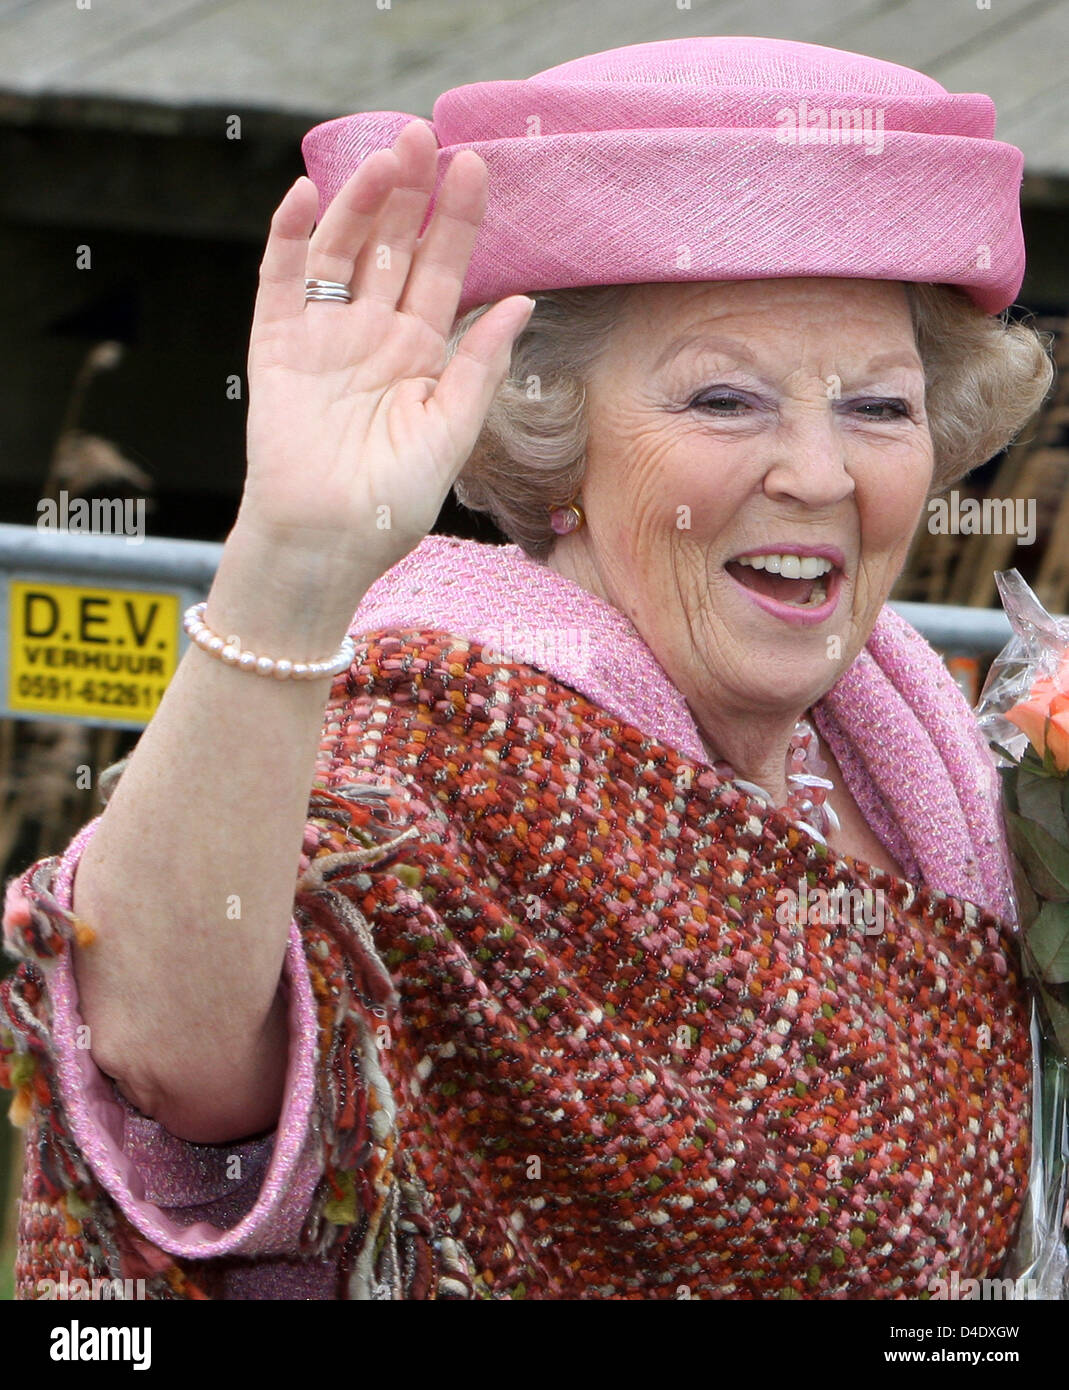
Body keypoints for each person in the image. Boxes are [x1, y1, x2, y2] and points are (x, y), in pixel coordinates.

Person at [1, 35, 1055, 1300]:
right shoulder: (456, 737)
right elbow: (162, 1053)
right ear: (551, 430)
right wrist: (290, 561)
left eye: (877, 407)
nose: (820, 473)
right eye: (725, 400)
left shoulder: (920, 752)